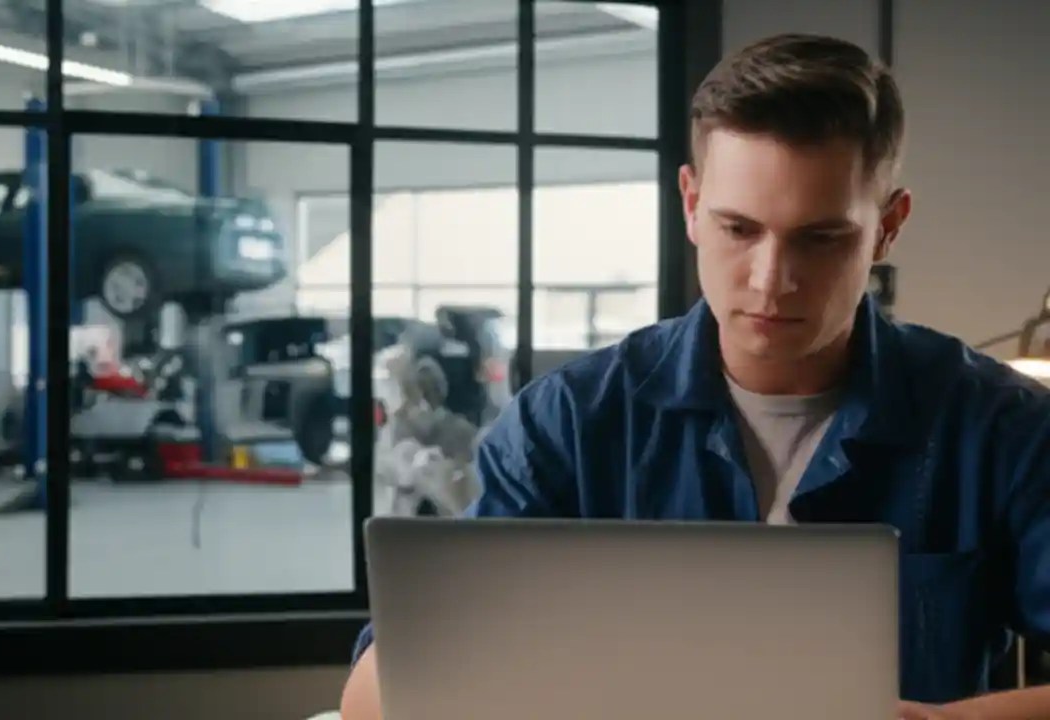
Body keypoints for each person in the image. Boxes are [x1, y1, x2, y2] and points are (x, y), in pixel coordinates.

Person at [340, 33, 1050, 720]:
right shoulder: (569, 424)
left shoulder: (999, 425)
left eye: (820, 238)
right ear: (689, 205)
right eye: (739, 229)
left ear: (888, 226)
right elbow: (376, 700)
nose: (772, 281)